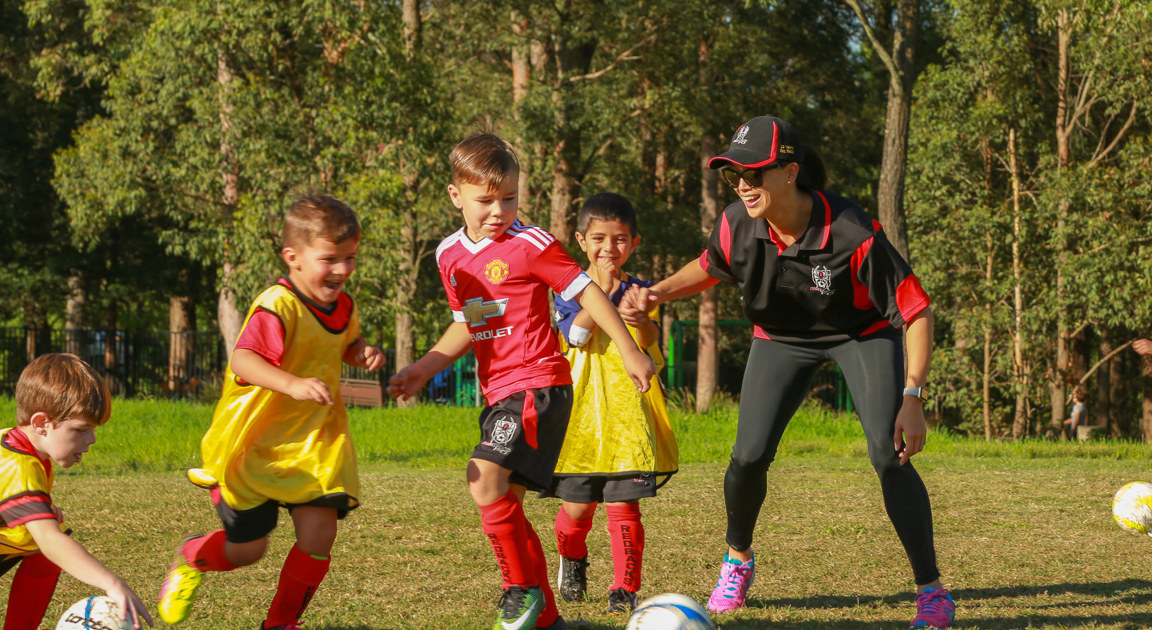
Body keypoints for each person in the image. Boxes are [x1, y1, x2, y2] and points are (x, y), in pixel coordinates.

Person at [623, 116, 954, 629]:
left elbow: (917, 311)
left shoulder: (853, 232)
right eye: (734, 174)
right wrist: (658, 293)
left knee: (889, 456)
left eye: (754, 173)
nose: (742, 185)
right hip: (780, 338)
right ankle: (737, 560)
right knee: (748, 457)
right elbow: (711, 265)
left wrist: (913, 397)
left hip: (861, 333)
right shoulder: (736, 223)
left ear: (790, 172)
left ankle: (932, 592)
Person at [387, 133, 656, 630]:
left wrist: (630, 350)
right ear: (456, 196)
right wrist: (423, 368)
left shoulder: (531, 244)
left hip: (538, 385)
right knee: (506, 505)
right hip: (500, 394)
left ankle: (520, 589)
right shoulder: (449, 255)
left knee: (483, 477)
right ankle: (548, 618)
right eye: (485, 200)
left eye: (509, 198)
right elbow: (470, 323)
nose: (498, 211)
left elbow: (589, 292)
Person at [156, 194, 385, 629]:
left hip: (314, 444)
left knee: (319, 535)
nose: (342, 270)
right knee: (249, 550)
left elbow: (344, 342)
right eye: (330, 259)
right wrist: (292, 383)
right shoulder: (277, 305)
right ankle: (192, 556)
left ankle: (280, 624)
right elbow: (244, 360)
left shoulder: (344, 306)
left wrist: (362, 352)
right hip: (253, 445)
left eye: (350, 258)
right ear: (292, 257)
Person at [543, 193, 678, 614]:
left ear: (633, 243)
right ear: (581, 241)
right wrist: (599, 291)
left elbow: (653, 347)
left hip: (628, 419)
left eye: (620, 239)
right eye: (599, 238)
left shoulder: (640, 291)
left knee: (624, 508)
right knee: (578, 510)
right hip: (580, 422)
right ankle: (571, 556)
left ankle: (624, 590)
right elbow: (575, 336)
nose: (609, 248)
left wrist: (643, 323)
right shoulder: (566, 291)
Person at [0, 353, 153, 629]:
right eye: (81, 429)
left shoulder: (28, 450)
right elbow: (49, 540)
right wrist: (112, 583)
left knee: (48, 538)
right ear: (40, 424)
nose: (92, 439)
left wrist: (43, 519)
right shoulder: (17, 465)